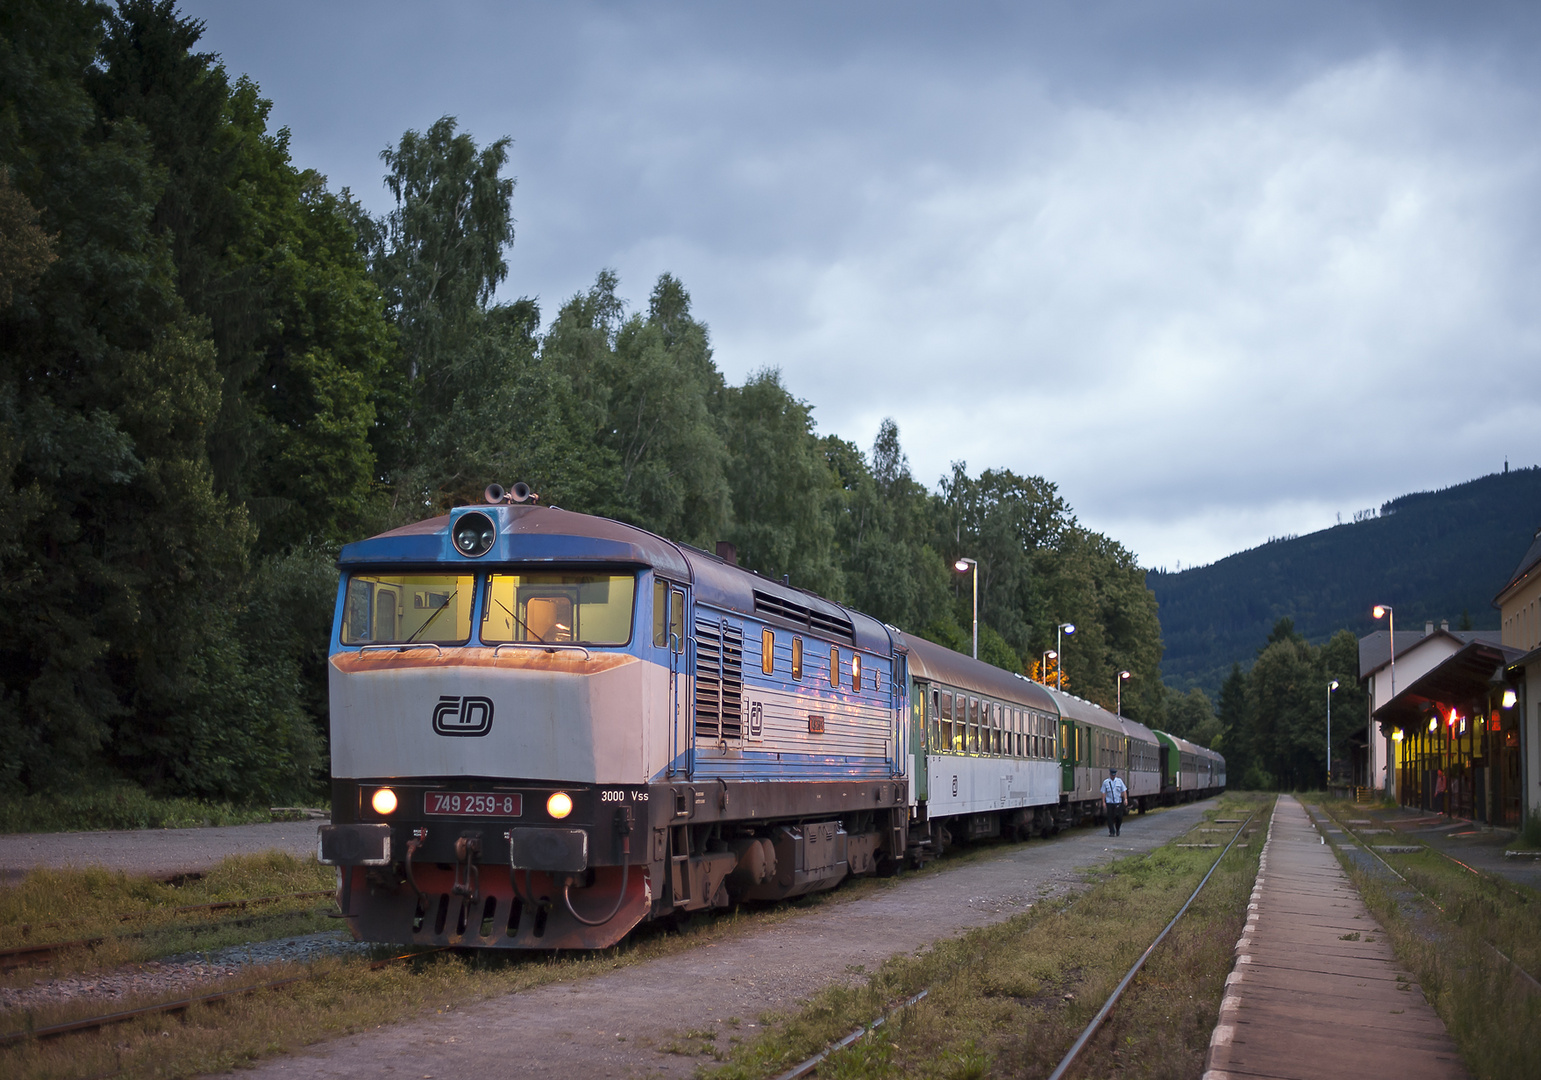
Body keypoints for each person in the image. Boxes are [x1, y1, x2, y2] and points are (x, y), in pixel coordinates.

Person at [1101, 766, 1127, 837]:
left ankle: (1117, 829)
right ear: (1110, 774)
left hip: (1118, 802)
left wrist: (1125, 799)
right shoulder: (1106, 782)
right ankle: (1112, 831)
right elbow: (1103, 792)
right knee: (1110, 818)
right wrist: (1103, 802)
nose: (1113, 776)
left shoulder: (1119, 781)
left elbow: (1124, 790)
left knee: (1119, 817)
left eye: (1114, 774)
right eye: (1112, 774)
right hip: (1109, 802)